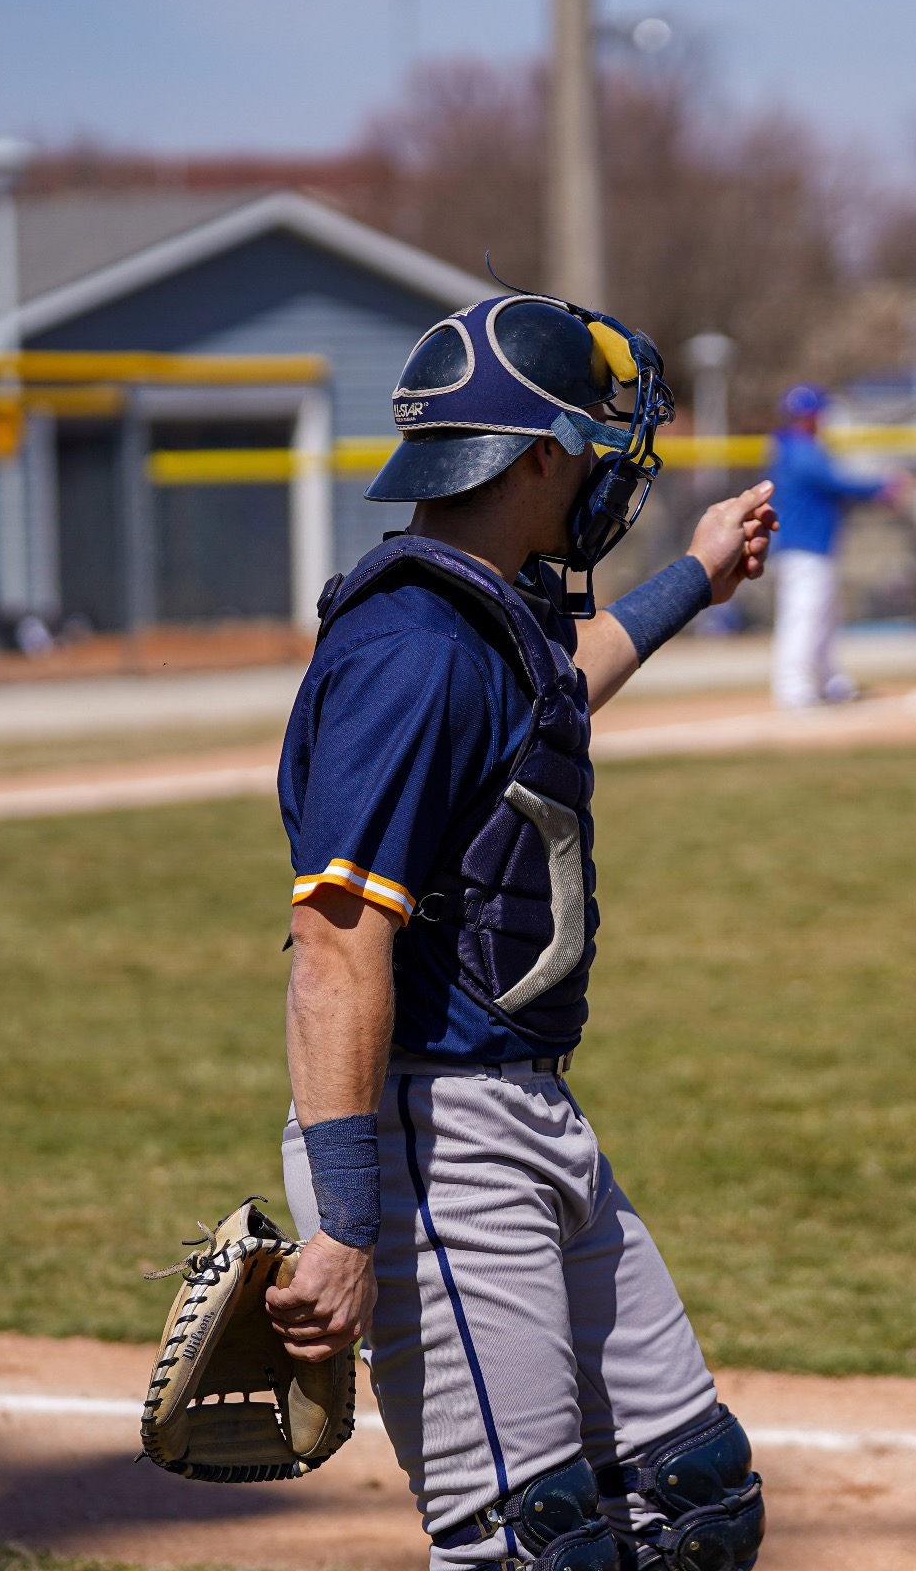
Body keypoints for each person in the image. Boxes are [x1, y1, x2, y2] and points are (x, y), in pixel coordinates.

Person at [265, 293, 775, 1571]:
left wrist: (694, 579)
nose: (610, 471)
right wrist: (341, 1223)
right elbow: (334, 943)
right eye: (596, 445)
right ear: (536, 456)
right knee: (534, 1547)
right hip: (430, 1142)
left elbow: (561, 686)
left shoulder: (482, 614)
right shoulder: (415, 647)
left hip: (523, 1115)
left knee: (692, 1502)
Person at [766, 383, 894, 708]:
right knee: (804, 616)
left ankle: (827, 680)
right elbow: (840, 482)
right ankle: (794, 688)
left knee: (824, 617)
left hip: (815, 545)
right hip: (803, 547)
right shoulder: (799, 450)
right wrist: (883, 485)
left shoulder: (800, 447)